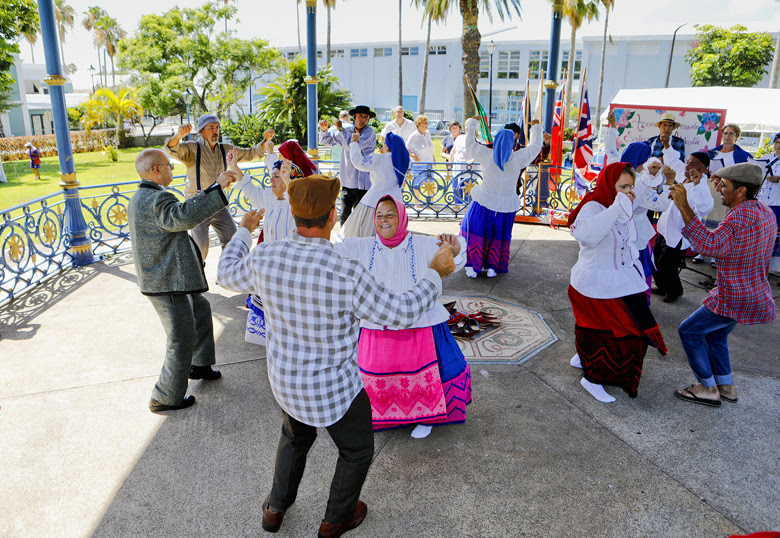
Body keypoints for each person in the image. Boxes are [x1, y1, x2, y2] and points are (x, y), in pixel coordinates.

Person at [216, 174, 456, 536]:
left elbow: (225, 274)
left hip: (285, 380)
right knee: (357, 451)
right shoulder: (345, 271)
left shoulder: (266, 255)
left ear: (294, 215)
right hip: (335, 389)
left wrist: (246, 230)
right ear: (331, 216)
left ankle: (275, 508)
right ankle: (335, 519)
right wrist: (435, 273)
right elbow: (402, 312)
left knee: (295, 437)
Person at [334, 196, 471, 438]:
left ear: (402, 217)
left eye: (389, 214)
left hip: (420, 324)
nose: (383, 219)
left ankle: (426, 417)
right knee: (374, 374)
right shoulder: (363, 246)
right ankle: (383, 416)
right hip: (377, 326)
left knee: (424, 374)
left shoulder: (421, 244)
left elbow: (455, 253)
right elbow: (332, 250)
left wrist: (456, 246)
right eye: (379, 215)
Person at [127, 149, 238, 413]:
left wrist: (213, 187)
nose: (172, 170)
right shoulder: (157, 198)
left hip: (165, 276)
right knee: (180, 336)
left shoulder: (144, 195)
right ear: (156, 169)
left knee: (200, 309)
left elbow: (181, 210)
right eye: (169, 166)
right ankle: (164, 396)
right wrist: (219, 187)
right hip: (166, 280)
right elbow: (183, 216)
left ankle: (200, 365)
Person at [670, 163, 776, 407]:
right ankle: (726, 386)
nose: (719, 189)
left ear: (741, 191)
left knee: (689, 331)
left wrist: (683, 205)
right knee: (716, 335)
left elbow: (709, 246)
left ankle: (707, 388)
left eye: (724, 185)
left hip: (733, 294)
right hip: (753, 292)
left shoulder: (739, 216)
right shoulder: (763, 211)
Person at [567, 162, 668, 403]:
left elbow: (629, 243)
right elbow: (586, 236)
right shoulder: (592, 206)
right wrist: (615, 208)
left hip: (618, 281)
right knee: (609, 333)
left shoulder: (624, 205)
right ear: (608, 184)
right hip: (593, 284)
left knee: (620, 330)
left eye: (631, 187)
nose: (629, 192)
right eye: (623, 187)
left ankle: (584, 358)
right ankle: (592, 378)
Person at [227, 147, 306, 345]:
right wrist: (233, 167)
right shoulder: (270, 199)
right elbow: (248, 187)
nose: (272, 179)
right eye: (272, 175)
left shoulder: (300, 205)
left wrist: (289, 184)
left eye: (277, 176)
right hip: (270, 270)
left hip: (291, 272)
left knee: (289, 321)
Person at [164, 113, 265, 261]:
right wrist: (179, 135)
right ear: (201, 132)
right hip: (197, 204)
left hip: (217, 202)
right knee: (201, 246)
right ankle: (197, 278)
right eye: (211, 127)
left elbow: (249, 153)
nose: (215, 131)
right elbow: (172, 149)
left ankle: (227, 269)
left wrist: (265, 142)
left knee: (231, 236)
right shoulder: (192, 148)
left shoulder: (225, 149)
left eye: (217, 127)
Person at [460, 117, 542, 278]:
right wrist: (537, 128)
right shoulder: (518, 158)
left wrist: (472, 125)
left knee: (475, 231)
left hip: (484, 202)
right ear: (513, 143)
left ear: (497, 140)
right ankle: (492, 267)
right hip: (506, 205)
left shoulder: (487, 154)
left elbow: (470, 144)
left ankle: (473, 266)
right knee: (499, 235)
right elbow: (535, 147)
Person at [652, 152, 714, 303]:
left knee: (667, 266)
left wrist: (698, 184)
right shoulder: (684, 178)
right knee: (656, 260)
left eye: (693, 164)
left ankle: (675, 290)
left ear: (704, 169)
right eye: (688, 162)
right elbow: (673, 160)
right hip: (665, 229)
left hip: (678, 233)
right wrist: (666, 147)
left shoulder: (701, 186)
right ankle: (662, 286)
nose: (687, 166)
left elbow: (705, 207)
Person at [693, 124, 754, 267]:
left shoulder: (743, 155)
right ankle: (702, 251)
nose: (728, 136)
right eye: (726, 133)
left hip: (728, 191)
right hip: (711, 188)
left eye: (732, 133)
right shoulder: (713, 153)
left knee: (722, 220)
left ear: (737, 137)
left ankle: (716, 256)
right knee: (707, 216)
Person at [340, 131, 409, 238]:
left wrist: (354, 143)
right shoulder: (406, 162)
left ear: (388, 145)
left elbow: (358, 162)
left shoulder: (378, 159)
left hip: (374, 203)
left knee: (365, 236)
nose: (383, 145)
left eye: (384, 143)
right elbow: (394, 159)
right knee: (392, 235)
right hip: (396, 203)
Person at [319, 105, 378, 225]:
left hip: (363, 183)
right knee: (344, 216)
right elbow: (327, 141)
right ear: (354, 117)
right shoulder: (347, 131)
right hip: (347, 181)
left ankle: (358, 242)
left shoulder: (369, 133)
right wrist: (324, 130)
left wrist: (340, 130)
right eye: (360, 116)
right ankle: (344, 241)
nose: (363, 120)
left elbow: (354, 146)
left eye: (366, 117)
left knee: (359, 219)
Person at [757, 132, 780, 276]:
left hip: (776, 203)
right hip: (762, 201)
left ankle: (769, 267)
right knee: (758, 234)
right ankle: (757, 264)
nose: (778, 145)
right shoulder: (766, 159)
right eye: (777, 142)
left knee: (772, 236)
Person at [407, 115, 435, 186]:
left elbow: (429, 147)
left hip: (429, 165)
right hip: (418, 166)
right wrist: (414, 156)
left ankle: (431, 198)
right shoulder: (413, 136)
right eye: (424, 123)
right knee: (417, 188)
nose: (427, 124)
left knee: (431, 187)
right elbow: (406, 149)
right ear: (419, 124)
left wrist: (433, 157)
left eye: (427, 122)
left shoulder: (428, 133)